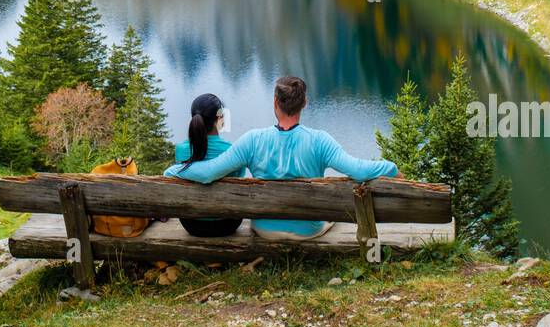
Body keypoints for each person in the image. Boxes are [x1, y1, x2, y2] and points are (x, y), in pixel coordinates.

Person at [164, 75, 398, 241]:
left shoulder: (252, 140)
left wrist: (173, 171)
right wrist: (391, 167)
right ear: (304, 104)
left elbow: (206, 174)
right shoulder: (320, 140)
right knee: (331, 218)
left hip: (265, 228)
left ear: (275, 103)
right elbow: (358, 170)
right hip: (308, 230)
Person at [172, 92, 244, 237]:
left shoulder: (181, 150)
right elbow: (240, 180)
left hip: (192, 224)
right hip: (227, 223)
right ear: (220, 118)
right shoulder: (232, 151)